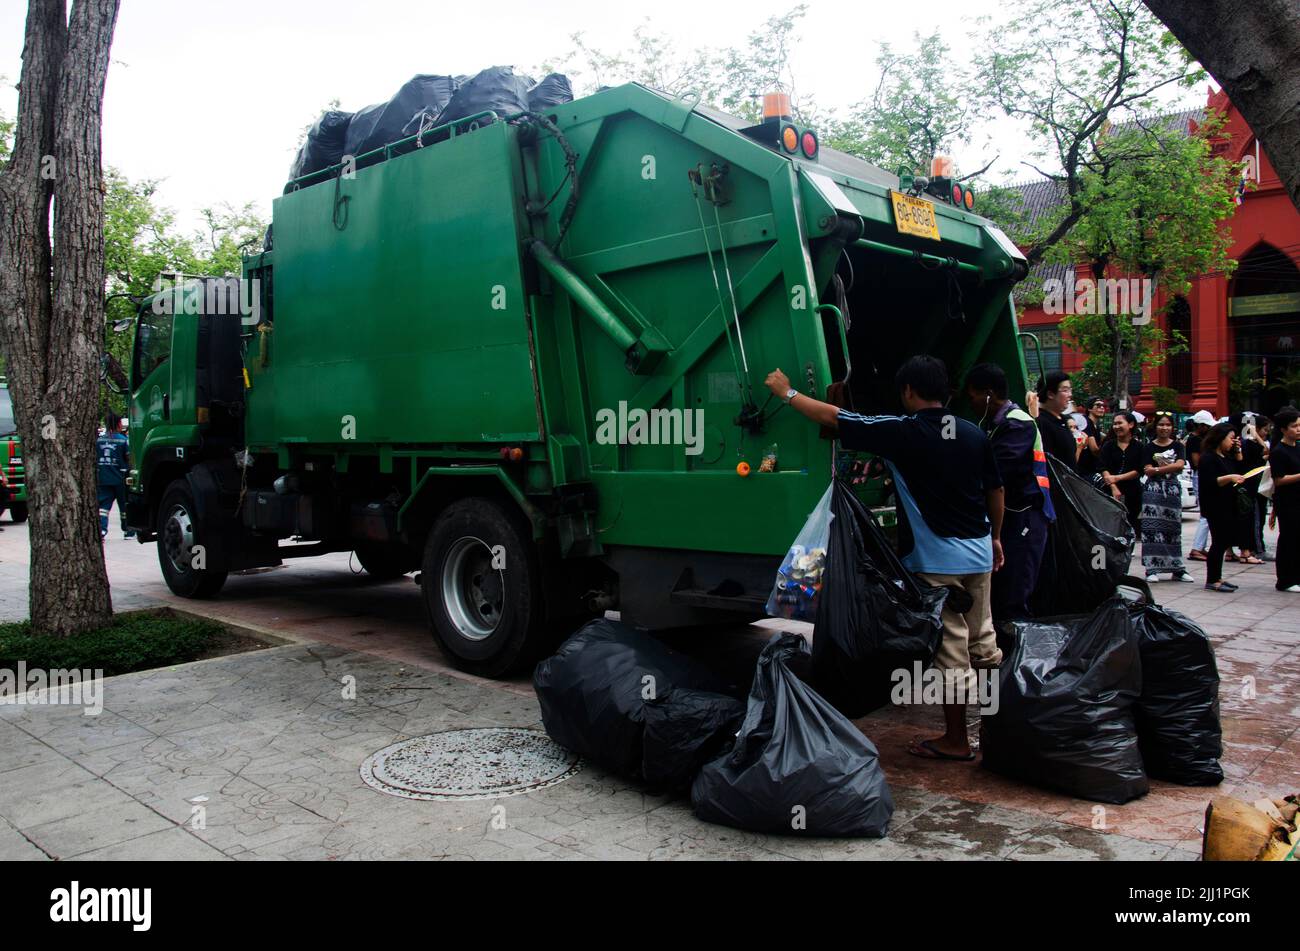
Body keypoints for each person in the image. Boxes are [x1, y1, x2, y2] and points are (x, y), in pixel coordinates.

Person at [764, 355, 1004, 763]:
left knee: (951, 653)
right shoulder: (972, 433)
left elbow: (835, 417)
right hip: (979, 553)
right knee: (984, 644)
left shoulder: (904, 432)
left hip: (937, 561)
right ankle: (998, 730)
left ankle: (956, 741)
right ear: (945, 391)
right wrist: (996, 538)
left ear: (909, 392)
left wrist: (786, 392)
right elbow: (996, 491)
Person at [965, 363, 1055, 623]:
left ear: (989, 395)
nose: (971, 403)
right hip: (1016, 517)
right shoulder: (998, 424)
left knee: (1015, 595)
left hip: (1026, 518)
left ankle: (1018, 658)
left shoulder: (1018, 425)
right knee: (1004, 592)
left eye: (973, 396)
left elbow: (998, 475)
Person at [1140, 411, 1194, 582]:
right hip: (1153, 489)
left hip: (1172, 489)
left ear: (1172, 427)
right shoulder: (1148, 447)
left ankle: (1177, 568)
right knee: (1152, 528)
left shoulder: (1178, 446)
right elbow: (1146, 468)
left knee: (1173, 528)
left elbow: (1179, 465)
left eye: (1168, 425)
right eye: (1161, 424)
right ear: (1155, 427)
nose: (1164, 428)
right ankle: (1152, 568)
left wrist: (1157, 469)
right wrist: (1164, 469)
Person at [1199, 422, 1247, 593]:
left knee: (1224, 540)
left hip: (1228, 503)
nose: (1233, 442)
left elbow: (1240, 470)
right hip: (1215, 506)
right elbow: (1209, 482)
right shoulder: (1208, 457)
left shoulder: (1226, 457)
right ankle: (1212, 579)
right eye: (1231, 439)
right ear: (1220, 438)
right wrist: (1229, 477)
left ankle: (1218, 577)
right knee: (1218, 542)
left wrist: (1238, 451)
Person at [1268, 407, 1300, 592]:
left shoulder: (1298, 446)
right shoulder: (1279, 451)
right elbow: (1279, 480)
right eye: (1294, 426)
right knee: (1289, 539)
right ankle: (1285, 579)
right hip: (1288, 502)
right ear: (1283, 429)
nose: (1298, 429)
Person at [1099, 411, 1144, 530]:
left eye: (1120, 423)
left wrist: (1118, 477)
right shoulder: (1108, 445)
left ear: (1131, 424)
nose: (1116, 426)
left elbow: (1139, 470)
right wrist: (1113, 486)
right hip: (1109, 491)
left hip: (1133, 492)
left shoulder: (1139, 447)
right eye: (1114, 424)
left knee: (1128, 526)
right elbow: (1102, 467)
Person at [1186, 409, 1217, 561]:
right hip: (1200, 476)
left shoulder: (1204, 439)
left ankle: (1200, 546)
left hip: (1204, 475)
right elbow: (1197, 462)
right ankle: (1197, 548)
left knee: (1207, 514)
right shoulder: (1194, 440)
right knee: (1206, 514)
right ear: (1200, 426)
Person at [97, 411, 132, 539]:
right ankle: (128, 530)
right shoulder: (124, 441)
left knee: (103, 506)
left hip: (103, 478)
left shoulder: (99, 441)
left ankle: (102, 530)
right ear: (118, 423)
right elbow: (129, 459)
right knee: (124, 506)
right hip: (120, 479)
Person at [1035, 371, 1078, 472]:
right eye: (1065, 390)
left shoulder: (1063, 419)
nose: (1070, 395)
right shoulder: (1040, 422)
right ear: (1050, 394)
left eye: (1070, 390)